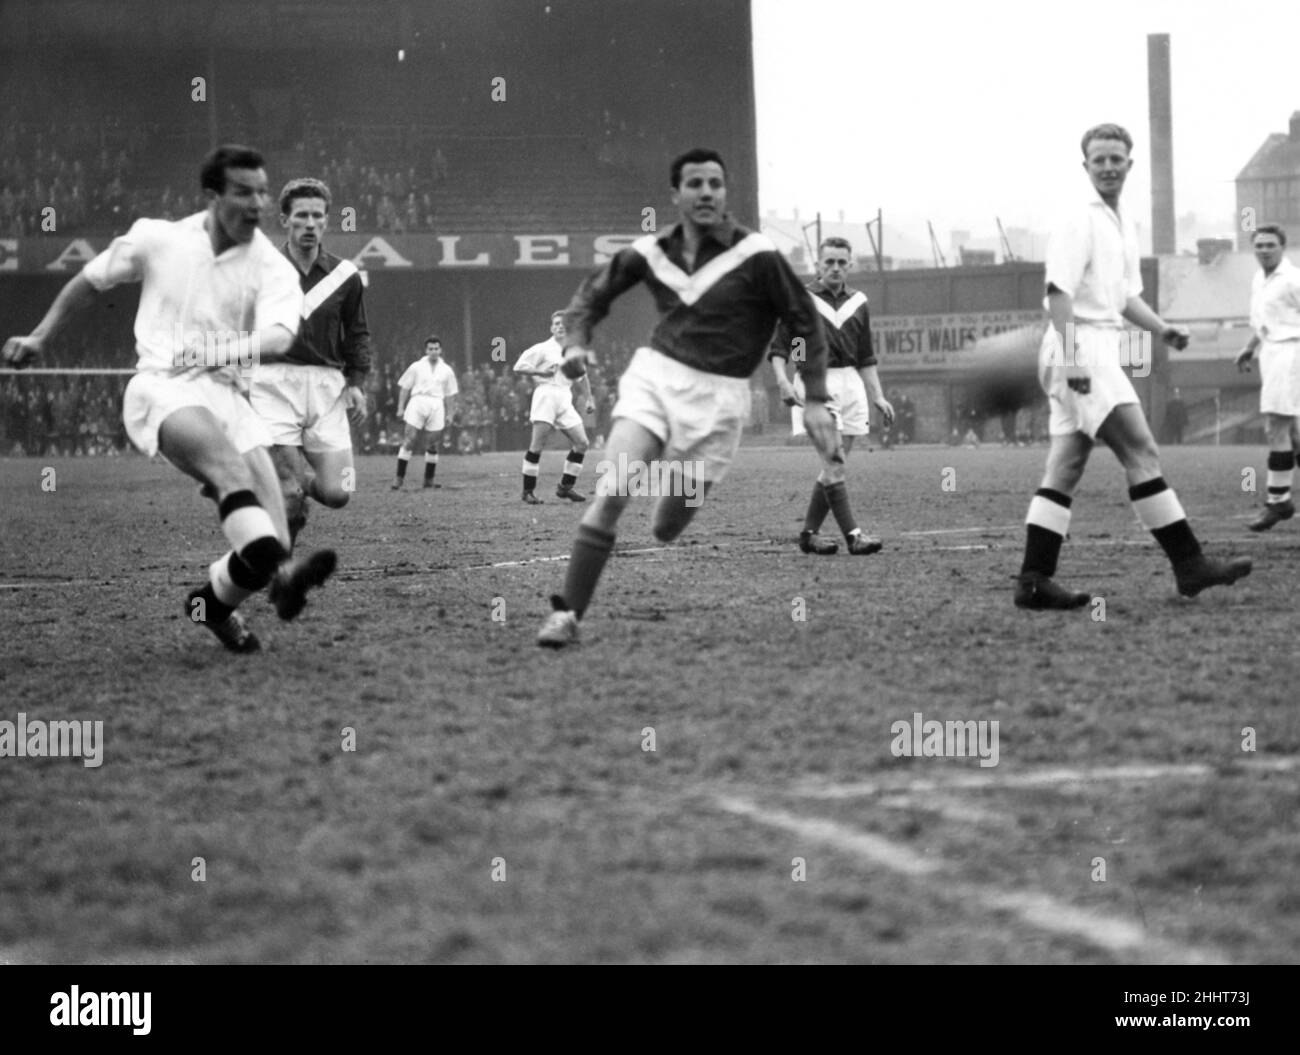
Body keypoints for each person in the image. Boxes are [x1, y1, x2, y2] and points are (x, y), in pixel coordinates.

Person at [2, 144, 337, 651]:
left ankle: (213, 605)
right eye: (243, 192)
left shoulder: (271, 265)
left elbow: (278, 336)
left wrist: (219, 351)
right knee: (229, 473)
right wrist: (40, 336)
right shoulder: (159, 239)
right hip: (162, 386)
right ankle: (282, 577)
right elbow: (90, 282)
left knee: (278, 529)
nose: (257, 204)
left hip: (228, 396)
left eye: (263, 193)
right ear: (211, 196)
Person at [535, 147, 840, 647]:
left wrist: (815, 398)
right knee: (614, 489)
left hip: (720, 405)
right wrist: (575, 344)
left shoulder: (758, 255)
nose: (705, 192)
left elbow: (803, 320)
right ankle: (567, 615)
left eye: (715, 184)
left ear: (725, 193)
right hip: (656, 380)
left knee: (666, 528)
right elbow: (591, 297)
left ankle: (670, 480)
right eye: (695, 184)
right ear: (675, 195)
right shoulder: (653, 251)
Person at [1014, 123, 1250, 609]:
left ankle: (1033, 581)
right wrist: (1075, 357)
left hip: (1093, 347)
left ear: (1129, 165)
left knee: (1065, 466)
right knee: (1142, 450)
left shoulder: (1122, 223)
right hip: (1081, 347)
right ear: (1086, 166)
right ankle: (1190, 565)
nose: (1107, 167)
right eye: (1098, 159)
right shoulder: (1079, 219)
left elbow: (1124, 297)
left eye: (1115, 159)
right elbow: (1057, 294)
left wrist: (1163, 330)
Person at [250, 177, 370, 543]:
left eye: (318, 216)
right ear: (284, 220)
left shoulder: (345, 276)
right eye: (301, 215)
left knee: (339, 492)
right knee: (288, 499)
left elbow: (357, 333)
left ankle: (290, 476)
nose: (310, 224)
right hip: (272, 384)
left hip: (326, 388)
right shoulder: (259, 269)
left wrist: (356, 385)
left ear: (327, 221)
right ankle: (276, 568)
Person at [769, 235, 893, 555]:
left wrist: (877, 395)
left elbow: (866, 356)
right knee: (834, 462)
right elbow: (781, 347)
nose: (835, 268)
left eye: (841, 262)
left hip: (851, 384)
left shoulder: (859, 302)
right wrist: (783, 380)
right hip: (816, 383)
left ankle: (809, 535)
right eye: (829, 262)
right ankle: (853, 536)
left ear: (850, 265)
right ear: (818, 264)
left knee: (833, 468)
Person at [1235, 225, 1300, 531]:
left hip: (1291, 354)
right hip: (1271, 355)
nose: (1264, 250)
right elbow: (1262, 323)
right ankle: (1281, 497)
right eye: (1259, 245)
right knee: (1294, 434)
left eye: (1270, 245)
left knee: (1276, 426)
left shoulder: (1292, 279)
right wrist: (1249, 348)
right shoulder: (1259, 280)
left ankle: (1278, 501)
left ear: (1282, 247)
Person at [513, 310, 596, 504]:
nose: (560, 326)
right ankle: (528, 491)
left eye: (563, 324)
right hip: (546, 395)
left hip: (564, 397)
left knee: (582, 443)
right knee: (537, 445)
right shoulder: (542, 348)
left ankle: (565, 487)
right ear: (552, 328)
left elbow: (582, 377)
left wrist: (589, 399)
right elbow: (518, 367)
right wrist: (539, 371)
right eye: (556, 323)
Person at [391, 336, 457, 489]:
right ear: (426, 350)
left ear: (440, 350)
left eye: (436, 349)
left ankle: (429, 480)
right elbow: (405, 387)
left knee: (433, 443)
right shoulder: (416, 367)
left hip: (436, 404)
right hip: (418, 402)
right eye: (430, 349)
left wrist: (450, 413)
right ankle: (399, 478)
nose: (433, 351)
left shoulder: (447, 370)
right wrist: (400, 407)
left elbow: (450, 394)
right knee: (409, 439)